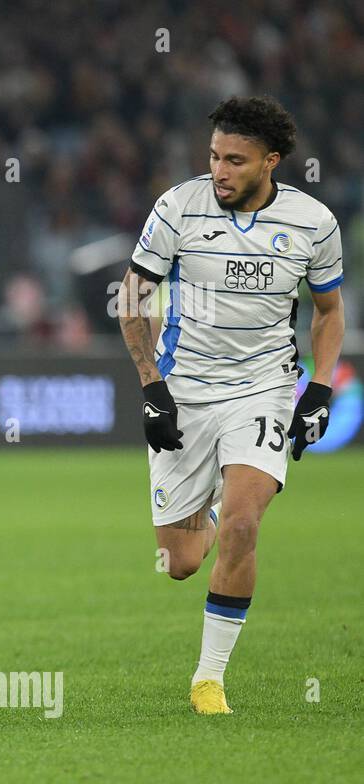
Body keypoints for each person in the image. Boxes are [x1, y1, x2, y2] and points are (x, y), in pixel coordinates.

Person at [117, 96, 344, 715]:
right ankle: (216, 498)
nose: (219, 170)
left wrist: (319, 388)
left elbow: (328, 312)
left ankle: (209, 679)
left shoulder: (313, 223)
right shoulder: (177, 207)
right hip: (184, 391)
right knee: (182, 561)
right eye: (214, 156)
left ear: (270, 162)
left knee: (244, 527)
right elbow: (133, 298)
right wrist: (150, 388)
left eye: (235, 161)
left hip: (264, 388)